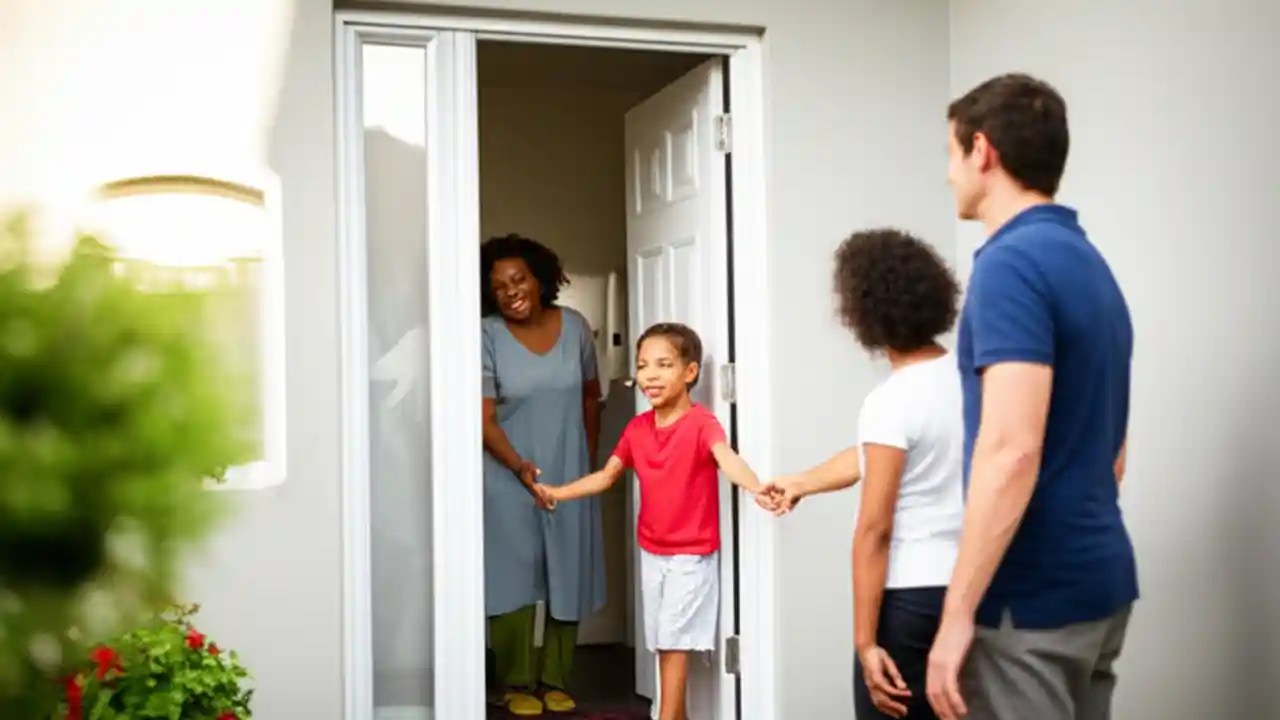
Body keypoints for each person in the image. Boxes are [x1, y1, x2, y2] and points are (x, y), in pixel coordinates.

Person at [926, 74, 1136, 720]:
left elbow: (1013, 449)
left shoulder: (1010, 265)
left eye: (951, 155)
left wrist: (958, 612)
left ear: (982, 151)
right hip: (1099, 579)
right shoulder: (1089, 264)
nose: (948, 174)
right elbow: (1114, 451)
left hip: (1028, 601)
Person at [766, 229, 964, 720]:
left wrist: (865, 643)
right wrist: (801, 482)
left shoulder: (891, 401)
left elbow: (874, 531)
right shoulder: (973, 379)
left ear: (863, 311)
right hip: (972, 593)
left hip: (910, 604)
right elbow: (880, 456)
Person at [536, 323, 767, 720]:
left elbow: (725, 457)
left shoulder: (701, 423)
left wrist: (758, 487)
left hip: (691, 556)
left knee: (674, 642)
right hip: (652, 550)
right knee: (662, 642)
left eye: (663, 365)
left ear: (689, 372)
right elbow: (607, 476)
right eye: (643, 366)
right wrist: (557, 492)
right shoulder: (637, 428)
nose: (651, 376)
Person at [480, 233, 605, 716]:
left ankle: (556, 675)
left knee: (567, 571)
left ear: (539, 278)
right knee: (511, 574)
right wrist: (518, 466)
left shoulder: (574, 326)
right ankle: (514, 682)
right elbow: (482, 417)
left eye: (518, 279)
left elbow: (589, 395)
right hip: (506, 470)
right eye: (498, 286)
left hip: (569, 470)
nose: (511, 290)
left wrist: (585, 458)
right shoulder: (485, 334)